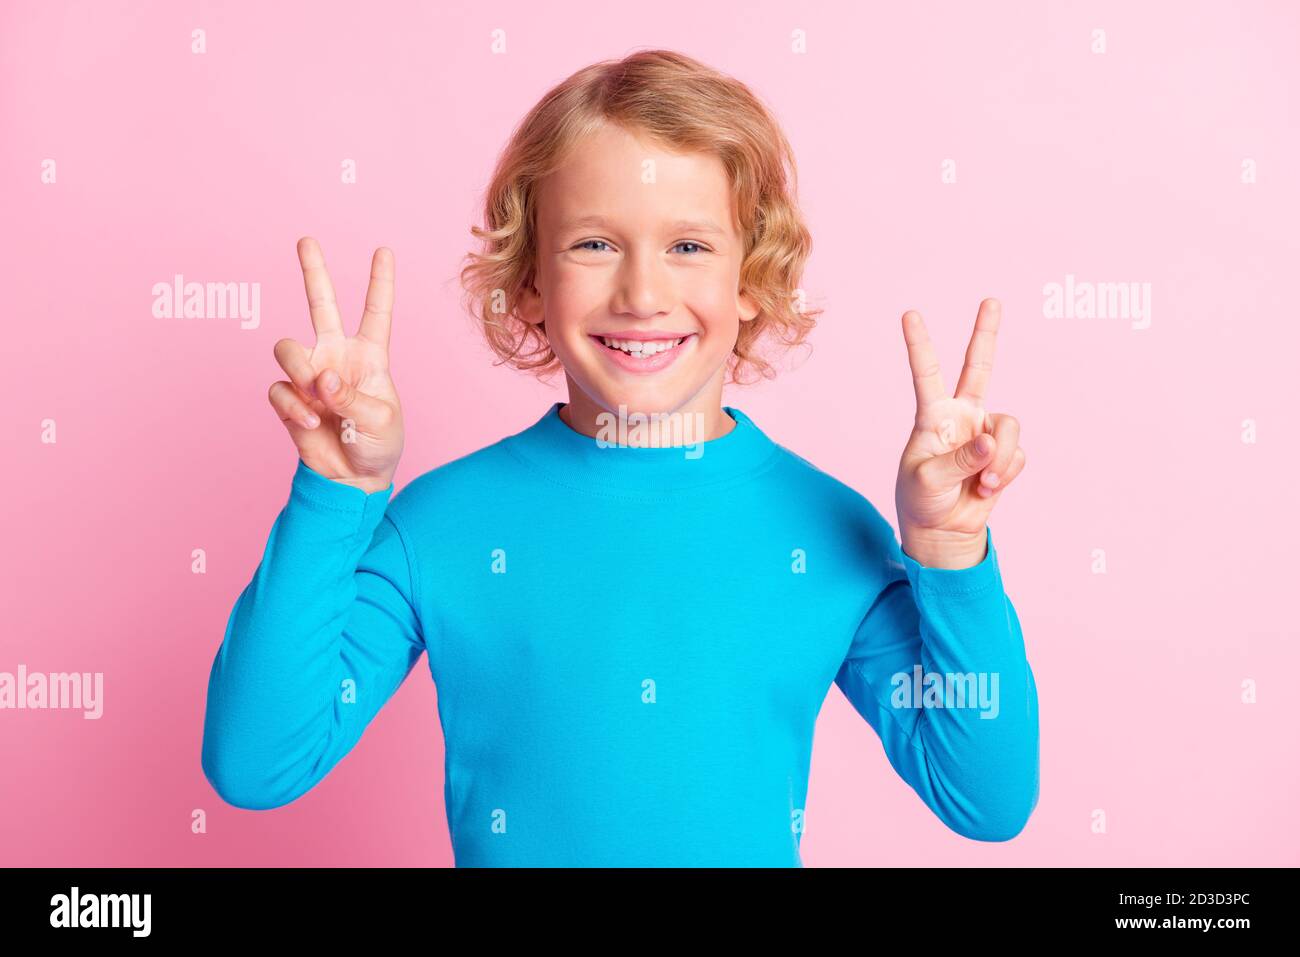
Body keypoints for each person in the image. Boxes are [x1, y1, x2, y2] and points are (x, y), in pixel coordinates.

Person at [200, 49, 1038, 867]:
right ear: (528, 282)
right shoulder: (442, 523)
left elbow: (985, 797)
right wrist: (336, 493)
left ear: (751, 278)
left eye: (689, 247)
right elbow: (256, 764)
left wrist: (953, 556)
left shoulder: (825, 531)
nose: (641, 295)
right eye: (594, 245)